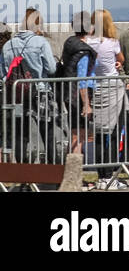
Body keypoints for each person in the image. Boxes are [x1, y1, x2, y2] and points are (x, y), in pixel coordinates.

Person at [3, 9, 58, 162]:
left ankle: (23, 175)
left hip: (16, 95)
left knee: (21, 134)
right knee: (47, 131)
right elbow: (52, 68)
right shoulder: (40, 42)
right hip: (40, 91)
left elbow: (3, 73)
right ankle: (51, 169)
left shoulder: (8, 45)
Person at [85, 9, 126, 169]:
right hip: (113, 86)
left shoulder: (88, 41)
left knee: (99, 132)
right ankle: (111, 169)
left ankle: (101, 170)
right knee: (115, 129)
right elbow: (121, 59)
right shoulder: (112, 42)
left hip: (96, 87)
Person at [58, 11, 97, 159]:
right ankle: (76, 171)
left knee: (77, 133)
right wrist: (86, 104)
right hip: (79, 96)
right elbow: (82, 79)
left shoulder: (70, 43)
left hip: (69, 92)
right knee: (79, 134)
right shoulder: (84, 51)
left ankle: (72, 168)